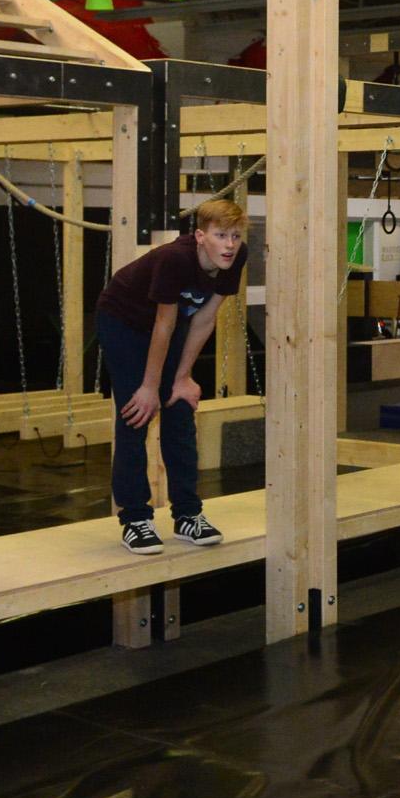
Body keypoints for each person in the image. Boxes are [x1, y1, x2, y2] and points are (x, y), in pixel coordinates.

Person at [95, 197, 248, 555]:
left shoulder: (235, 259)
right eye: (221, 235)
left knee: (179, 409)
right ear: (199, 235)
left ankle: (188, 515)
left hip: (173, 325)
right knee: (137, 413)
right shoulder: (174, 260)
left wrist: (182, 377)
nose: (229, 245)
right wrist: (149, 388)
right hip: (124, 321)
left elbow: (205, 318)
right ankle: (134, 518)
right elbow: (161, 325)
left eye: (236, 236)